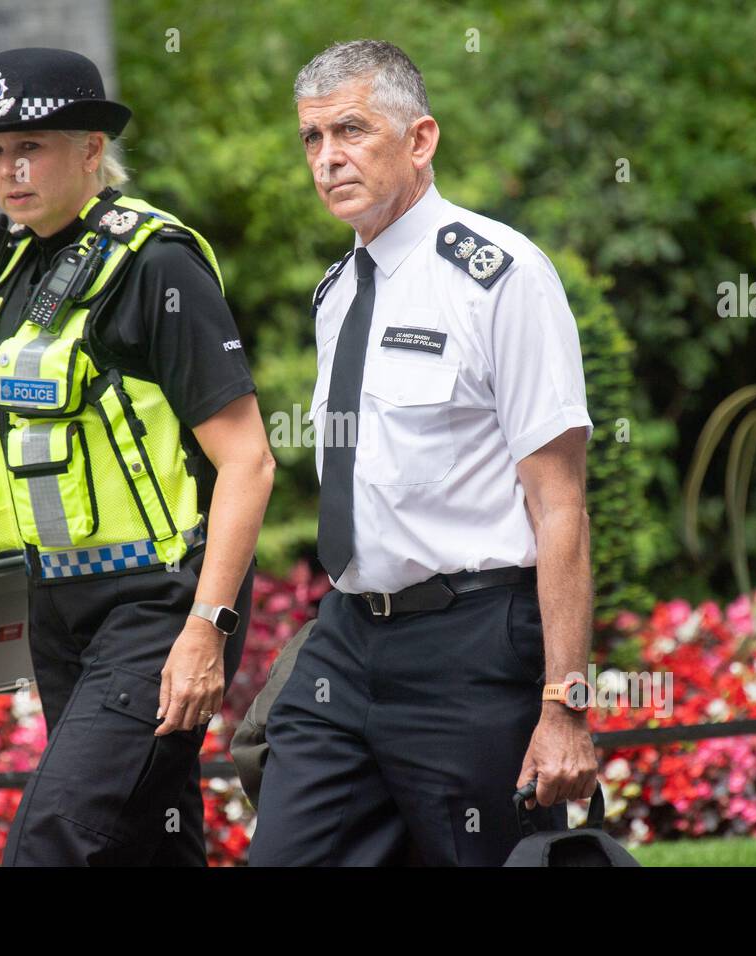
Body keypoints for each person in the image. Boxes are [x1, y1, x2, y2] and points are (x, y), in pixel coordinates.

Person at [247, 40, 599, 866]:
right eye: (311, 139)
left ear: (421, 139)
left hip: (471, 645)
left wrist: (565, 703)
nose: (328, 158)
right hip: (348, 639)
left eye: (351, 130)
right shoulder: (337, 294)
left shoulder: (502, 277)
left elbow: (561, 507)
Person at [0, 47, 275, 866]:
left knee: (56, 839)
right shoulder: (15, 264)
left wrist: (205, 628)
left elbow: (251, 461)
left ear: (90, 148)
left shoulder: (157, 265)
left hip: (155, 604)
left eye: (32, 146)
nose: (10, 170)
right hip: (56, 607)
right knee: (142, 845)